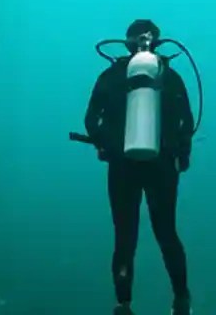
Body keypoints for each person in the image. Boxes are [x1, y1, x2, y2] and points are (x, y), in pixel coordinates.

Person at [85, 19, 195, 315]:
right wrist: (182, 155)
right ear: (157, 44)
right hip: (162, 166)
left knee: (124, 236)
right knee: (167, 233)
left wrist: (102, 145)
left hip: (122, 167)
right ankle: (181, 299)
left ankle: (123, 303)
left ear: (126, 44)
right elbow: (187, 121)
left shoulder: (111, 75)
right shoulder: (169, 77)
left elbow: (90, 119)